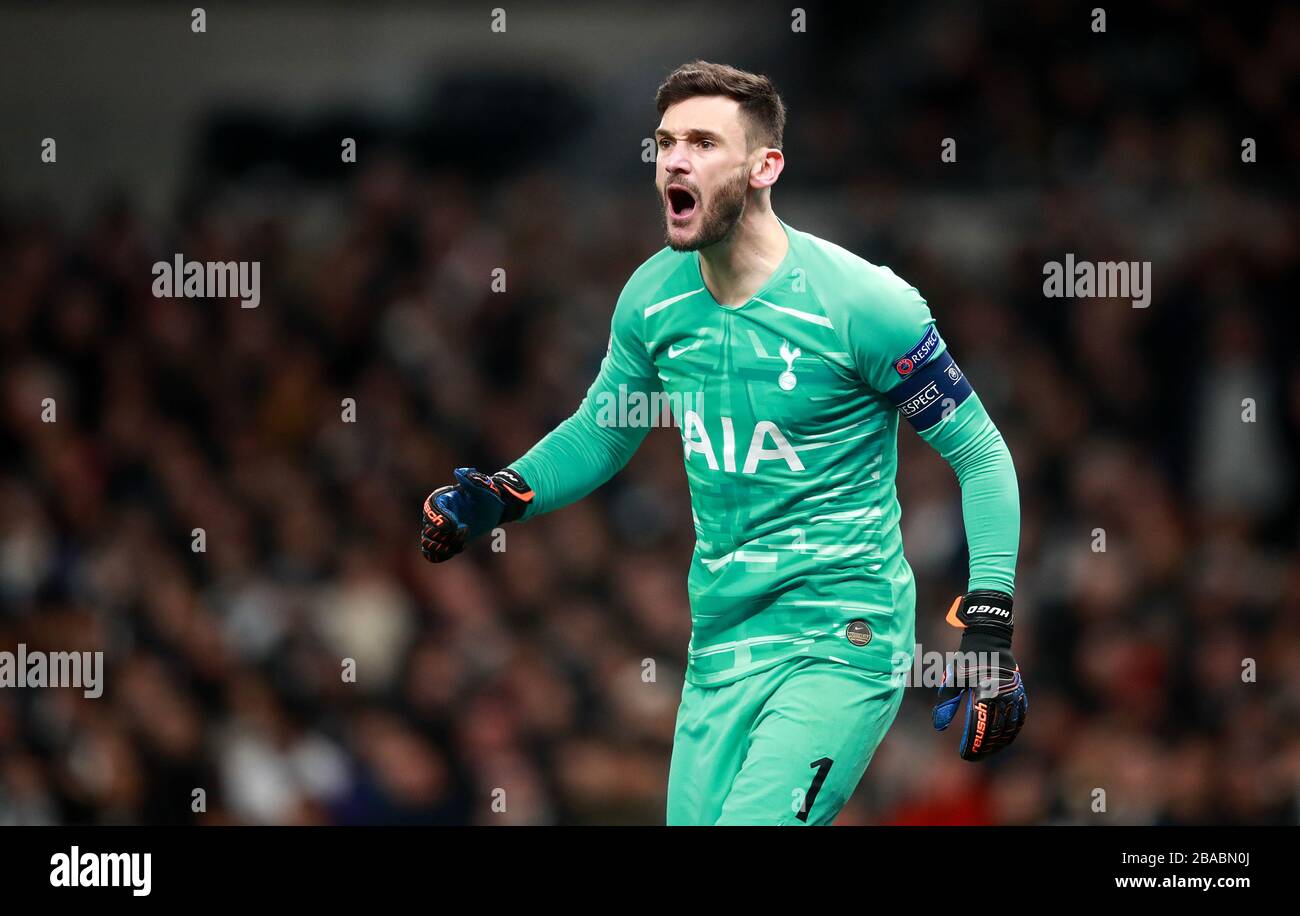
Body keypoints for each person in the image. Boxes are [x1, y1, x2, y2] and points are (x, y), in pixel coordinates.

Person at [421, 60, 1026, 825]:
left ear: (763, 166)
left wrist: (991, 628)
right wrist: (503, 494)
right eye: (666, 142)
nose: (674, 159)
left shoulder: (865, 305)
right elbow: (605, 432)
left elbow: (981, 453)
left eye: (704, 142)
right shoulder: (652, 298)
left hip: (839, 637)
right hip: (719, 647)